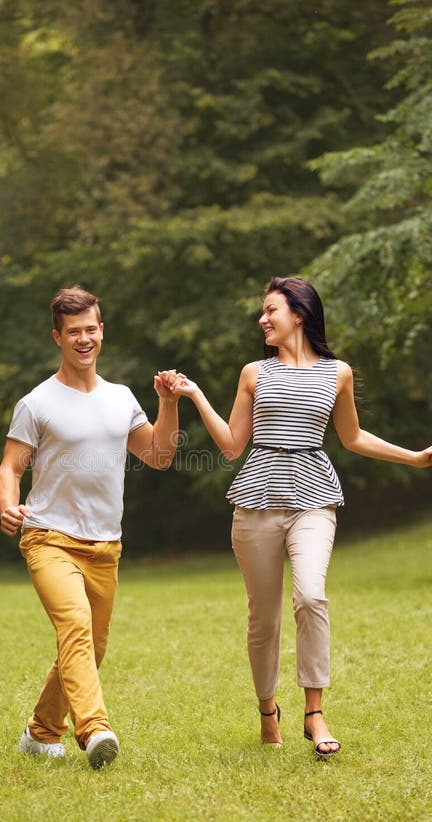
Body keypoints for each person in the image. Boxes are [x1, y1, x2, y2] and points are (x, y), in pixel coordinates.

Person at [167, 276, 432, 757]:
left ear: (299, 314)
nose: (262, 319)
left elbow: (352, 438)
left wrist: (414, 458)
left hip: (314, 496)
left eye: (271, 310)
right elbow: (230, 446)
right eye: (262, 312)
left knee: (311, 596)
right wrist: (194, 394)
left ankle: (314, 713)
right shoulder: (253, 373)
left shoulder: (338, 374)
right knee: (263, 619)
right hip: (255, 501)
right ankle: (269, 711)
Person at [0, 286, 180, 769]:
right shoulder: (36, 403)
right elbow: (11, 468)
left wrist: (168, 402)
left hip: (106, 545)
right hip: (49, 537)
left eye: (91, 329)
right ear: (57, 336)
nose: (83, 339)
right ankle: (95, 728)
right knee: (75, 628)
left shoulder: (121, 398)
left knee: (91, 647)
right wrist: (8, 506)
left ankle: (40, 733)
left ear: (102, 331)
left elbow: (158, 456)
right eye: (73, 331)